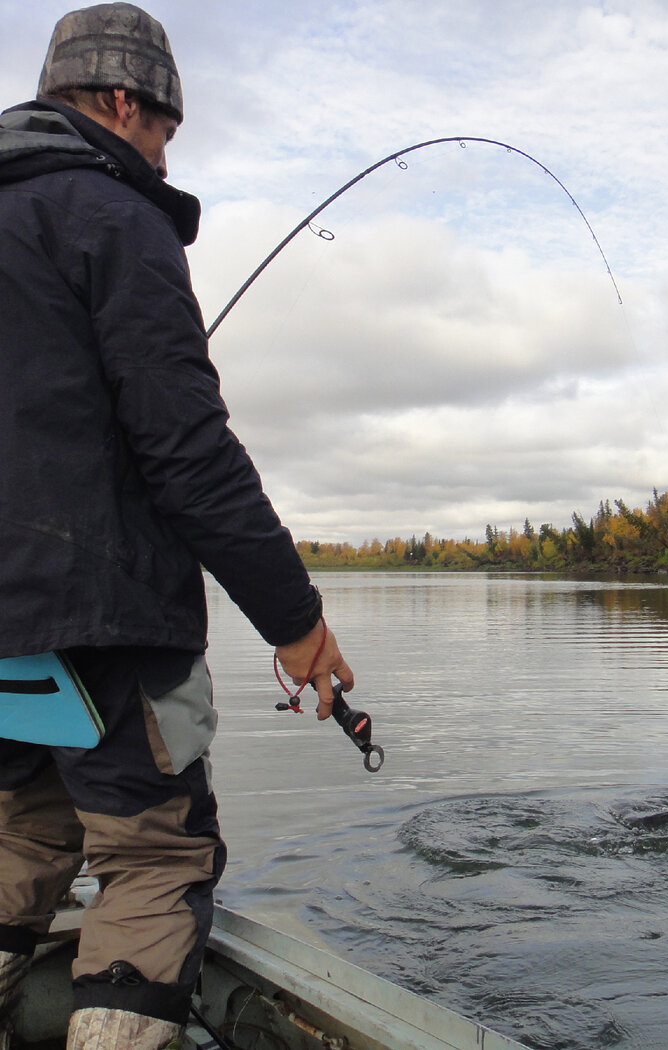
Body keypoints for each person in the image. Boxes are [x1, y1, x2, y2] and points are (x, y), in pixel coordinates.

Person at [0, 5, 355, 1048]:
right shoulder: (114, 214)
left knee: (20, 831)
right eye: (161, 132)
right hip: (106, 620)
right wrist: (295, 621)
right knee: (155, 858)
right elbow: (188, 449)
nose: (160, 154)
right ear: (123, 104)